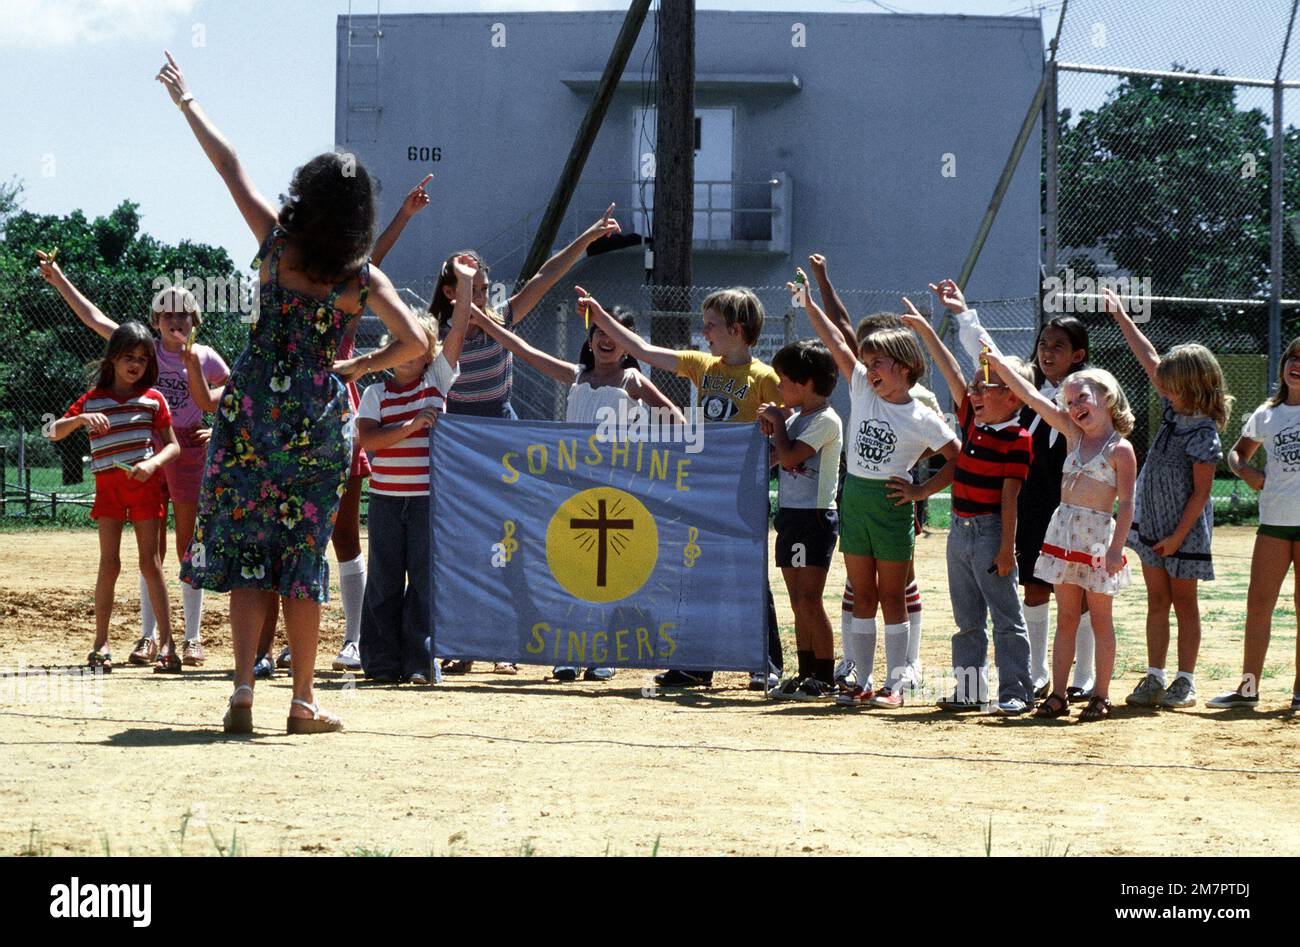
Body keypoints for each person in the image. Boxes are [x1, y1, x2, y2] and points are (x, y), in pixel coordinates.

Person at [156, 50, 426, 734]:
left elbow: (229, 166)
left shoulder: (276, 247)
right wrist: (359, 367)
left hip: (250, 411)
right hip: (316, 420)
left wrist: (188, 102)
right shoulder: (359, 279)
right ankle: (302, 701)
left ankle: (243, 689)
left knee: (248, 554)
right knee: (302, 558)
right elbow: (416, 345)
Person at [471, 292, 684, 682]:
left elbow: (677, 422)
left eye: (616, 333)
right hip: (572, 494)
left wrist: (642, 454)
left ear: (629, 343)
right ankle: (570, 650)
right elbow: (525, 350)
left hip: (619, 494)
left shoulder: (633, 381)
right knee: (571, 572)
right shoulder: (576, 376)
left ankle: (606, 652)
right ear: (589, 339)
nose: (607, 340)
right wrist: (485, 323)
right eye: (599, 332)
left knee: (611, 575)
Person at [586, 285, 786, 690]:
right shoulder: (702, 365)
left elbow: (787, 430)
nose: (704, 332)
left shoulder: (765, 377)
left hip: (743, 494)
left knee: (748, 576)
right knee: (697, 574)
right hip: (705, 490)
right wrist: (600, 317)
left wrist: (763, 465)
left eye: (711, 325)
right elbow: (643, 350)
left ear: (737, 329)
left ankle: (764, 663)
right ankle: (695, 663)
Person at [274, 173, 435, 674]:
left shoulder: (350, 287)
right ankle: (282, 645)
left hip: (333, 410)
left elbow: (372, 267)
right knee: (290, 536)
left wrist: (403, 219)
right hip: (287, 412)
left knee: (344, 531)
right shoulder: (285, 279)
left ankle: (353, 640)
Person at [39, 254, 229, 668]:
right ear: (156, 321)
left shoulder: (206, 356)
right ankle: (149, 638)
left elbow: (238, 395)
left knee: (188, 546)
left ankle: (193, 637)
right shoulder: (142, 349)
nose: (175, 320)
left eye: (184, 315)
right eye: (167, 313)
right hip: (143, 454)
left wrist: (220, 430)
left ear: (196, 322)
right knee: (151, 551)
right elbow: (94, 318)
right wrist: (59, 281)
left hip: (186, 453)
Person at [796, 269, 961, 709]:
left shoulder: (922, 414)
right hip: (856, 502)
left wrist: (920, 492)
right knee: (861, 592)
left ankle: (895, 681)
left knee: (892, 596)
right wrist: (810, 304)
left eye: (878, 364)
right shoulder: (862, 391)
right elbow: (836, 340)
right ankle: (864, 679)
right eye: (866, 364)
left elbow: (958, 457)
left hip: (890, 507)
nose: (869, 371)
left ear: (904, 368)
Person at [903, 289, 1036, 714]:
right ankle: (969, 691)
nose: (974, 393)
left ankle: (1016, 691)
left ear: (1013, 396)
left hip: (991, 531)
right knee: (967, 621)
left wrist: (1005, 549)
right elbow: (950, 369)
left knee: (1006, 619)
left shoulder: (1018, 438)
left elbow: (1010, 498)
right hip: (959, 531)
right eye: (975, 388)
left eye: (986, 387)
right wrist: (927, 331)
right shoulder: (973, 423)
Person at [986, 353, 1136, 722]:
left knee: (1100, 619)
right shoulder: (1072, 435)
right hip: (1065, 538)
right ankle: (1057, 693)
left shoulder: (1120, 449)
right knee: (1066, 616)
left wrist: (1116, 549)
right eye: (1069, 402)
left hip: (1098, 542)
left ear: (1107, 397)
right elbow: (1033, 398)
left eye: (1082, 397)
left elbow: (1128, 503)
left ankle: (1100, 694)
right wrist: (1002, 367)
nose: (1074, 407)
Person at [1104, 290, 1232, 710]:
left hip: (1184, 532)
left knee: (1184, 604)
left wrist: (1178, 536)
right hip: (1153, 523)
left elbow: (1201, 493)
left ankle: (1185, 679)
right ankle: (1154, 676)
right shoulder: (1175, 408)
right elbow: (1150, 357)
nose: (1162, 386)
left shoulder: (1203, 432)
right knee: (1156, 602)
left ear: (1192, 385)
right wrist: (1122, 317)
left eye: (1171, 384)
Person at [356, 263, 472, 685]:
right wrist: (411, 426)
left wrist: (466, 282)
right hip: (385, 500)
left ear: (428, 355)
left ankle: (420, 663)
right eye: (401, 345)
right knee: (384, 580)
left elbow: (456, 332)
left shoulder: (437, 382)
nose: (410, 354)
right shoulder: (375, 392)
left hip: (428, 500)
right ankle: (381, 663)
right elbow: (369, 441)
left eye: (421, 347)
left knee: (425, 582)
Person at [49, 322, 181, 673]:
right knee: (109, 564)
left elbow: (173, 446)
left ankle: (167, 646)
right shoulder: (92, 400)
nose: (135, 364)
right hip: (108, 490)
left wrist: (152, 464)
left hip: (143, 488)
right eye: (128, 357)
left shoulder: (153, 399)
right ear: (113, 360)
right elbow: (52, 432)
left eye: (141, 358)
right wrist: (78, 420)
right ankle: (101, 644)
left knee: (150, 563)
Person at [1209, 335, 1300, 709]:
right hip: (1275, 521)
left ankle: (1299, 691)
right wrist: (1246, 472)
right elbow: (1236, 453)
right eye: (1293, 357)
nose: (1297, 364)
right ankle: (1248, 688)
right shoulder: (1267, 413)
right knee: (1259, 605)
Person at [1015, 313, 1093, 701]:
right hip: (1032, 502)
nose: (1047, 352)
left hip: (1075, 506)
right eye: (1043, 344)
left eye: (1058, 346)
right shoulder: (1030, 391)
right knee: (1033, 585)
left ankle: (1084, 674)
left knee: (1076, 588)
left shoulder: (1089, 395)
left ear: (1078, 354)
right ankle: (1036, 672)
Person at [759, 340, 842, 700]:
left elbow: (791, 458)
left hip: (815, 518)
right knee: (796, 600)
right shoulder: (795, 418)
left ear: (806, 383)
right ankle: (805, 671)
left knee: (810, 599)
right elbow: (774, 457)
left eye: (783, 380)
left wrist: (777, 424)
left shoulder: (826, 419)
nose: (778, 387)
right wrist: (771, 430)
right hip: (791, 517)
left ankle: (823, 675)